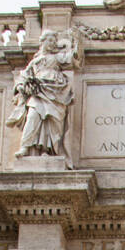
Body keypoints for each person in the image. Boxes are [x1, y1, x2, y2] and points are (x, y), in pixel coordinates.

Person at [7, 28, 81, 158]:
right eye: (50, 40)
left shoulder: (57, 57)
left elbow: (72, 58)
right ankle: (26, 147)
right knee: (32, 117)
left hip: (55, 92)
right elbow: (22, 77)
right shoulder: (34, 61)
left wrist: (76, 41)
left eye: (54, 41)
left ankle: (48, 150)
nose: (52, 43)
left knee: (52, 121)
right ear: (43, 42)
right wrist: (21, 86)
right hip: (38, 92)